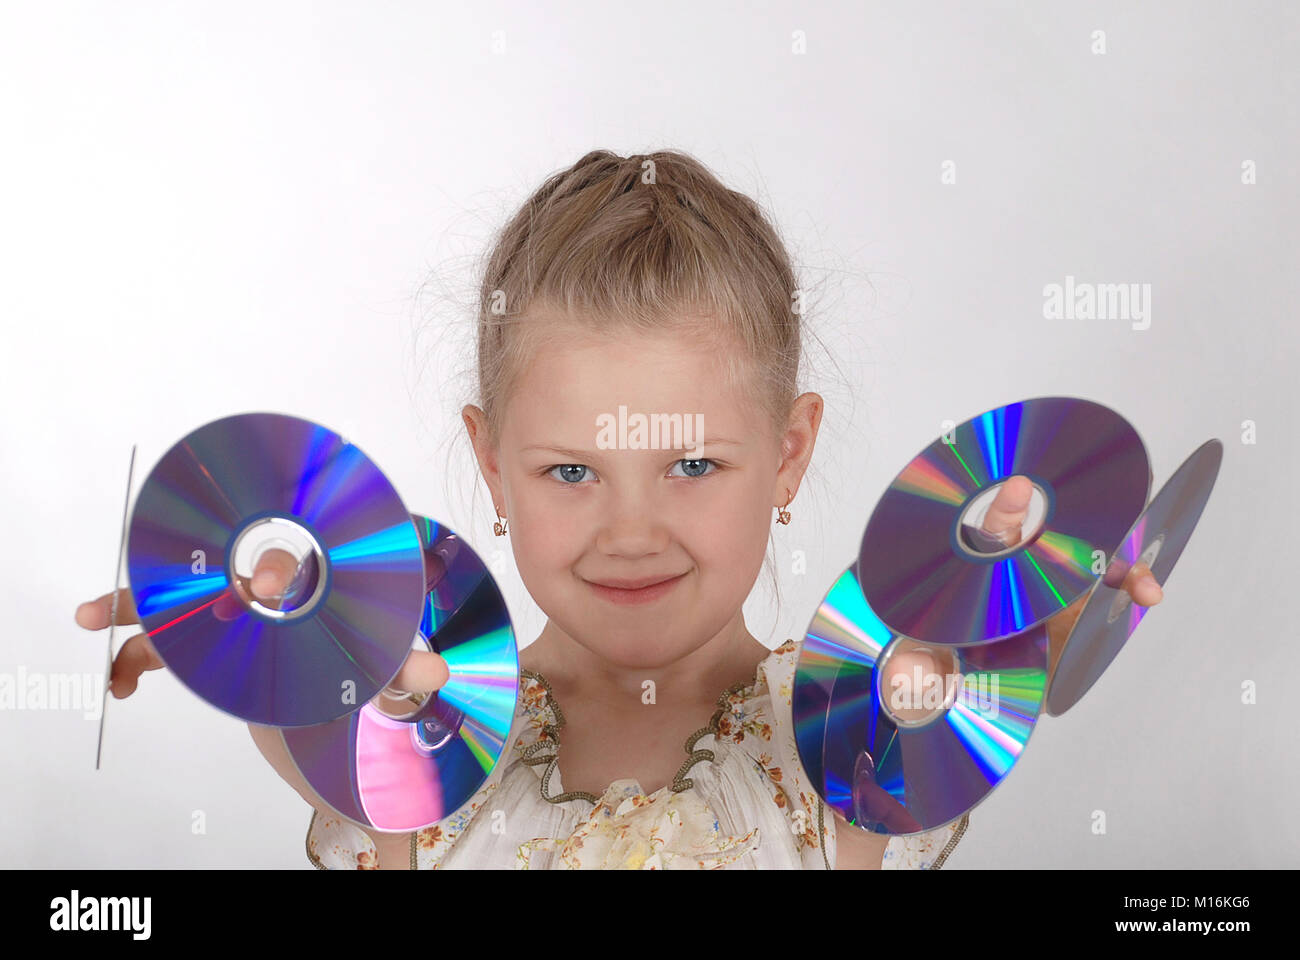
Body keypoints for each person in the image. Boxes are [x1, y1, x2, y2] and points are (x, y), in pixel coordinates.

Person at [74, 149, 1163, 869]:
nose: (631, 531)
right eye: (570, 472)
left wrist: (1021, 622)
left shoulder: (864, 716)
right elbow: (308, 710)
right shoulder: (408, 725)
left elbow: (950, 701)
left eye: (692, 465)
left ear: (787, 457)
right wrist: (255, 636)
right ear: (491, 467)